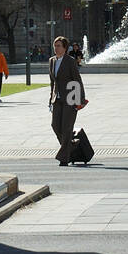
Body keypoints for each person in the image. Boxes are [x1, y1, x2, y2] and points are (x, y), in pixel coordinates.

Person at [49, 36, 87, 166]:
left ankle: (64, 157)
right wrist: (50, 99)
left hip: (70, 98)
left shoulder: (70, 61)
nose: (56, 48)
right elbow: (52, 82)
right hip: (57, 99)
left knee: (66, 127)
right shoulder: (52, 61)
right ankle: (71, 146)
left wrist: (80, 99)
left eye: (58, 45)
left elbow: (77, 80)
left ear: (65, 48)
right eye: (55, 45)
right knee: (55, 125)